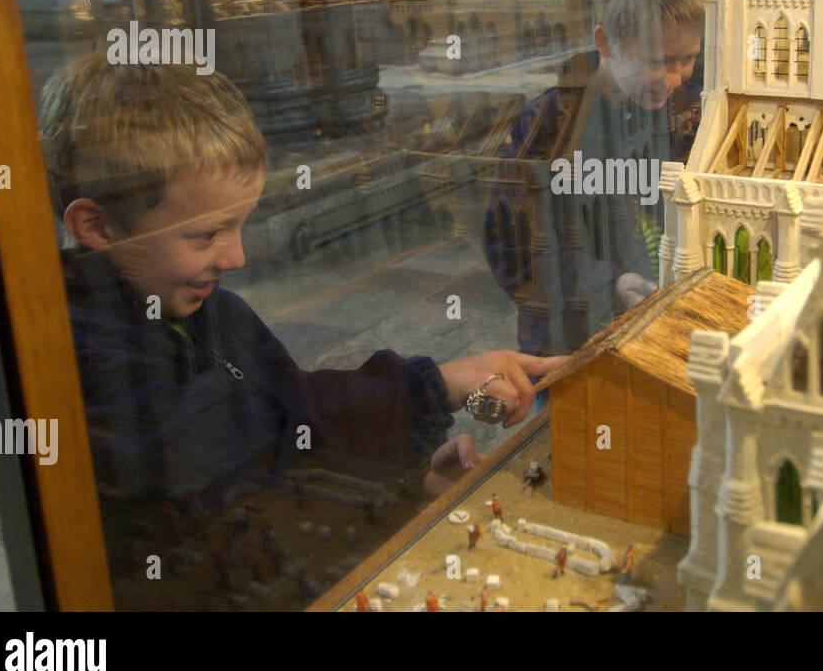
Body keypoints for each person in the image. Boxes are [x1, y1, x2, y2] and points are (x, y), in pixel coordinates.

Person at [38, 53, 563, 568]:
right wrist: (425, 387)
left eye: (240, 226)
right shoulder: (78, 364)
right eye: (205, 235)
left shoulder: (216, 315)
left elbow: (297, 422)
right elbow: (232, 456)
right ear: (100, 229)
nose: (236, 257)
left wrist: (410, 483)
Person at [483, 0, 704, 361]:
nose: (675, 78)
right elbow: (510, 249)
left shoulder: (666, 109)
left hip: (646, 333)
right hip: (567, 350)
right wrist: (609, 285)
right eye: (658, 61)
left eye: (688, 59)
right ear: (604, 41)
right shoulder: (549, 126)